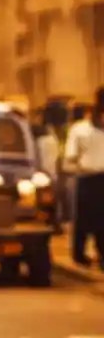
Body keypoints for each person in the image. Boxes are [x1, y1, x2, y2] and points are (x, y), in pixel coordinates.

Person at [64, 94, 104, 268]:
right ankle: (79, 254)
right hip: (87, 178)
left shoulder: (79, 129)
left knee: (95, 220)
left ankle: (98, 255)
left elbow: (71, 155)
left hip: (90, 177)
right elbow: (71, 156)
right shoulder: (80, 129)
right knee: (84, 219)